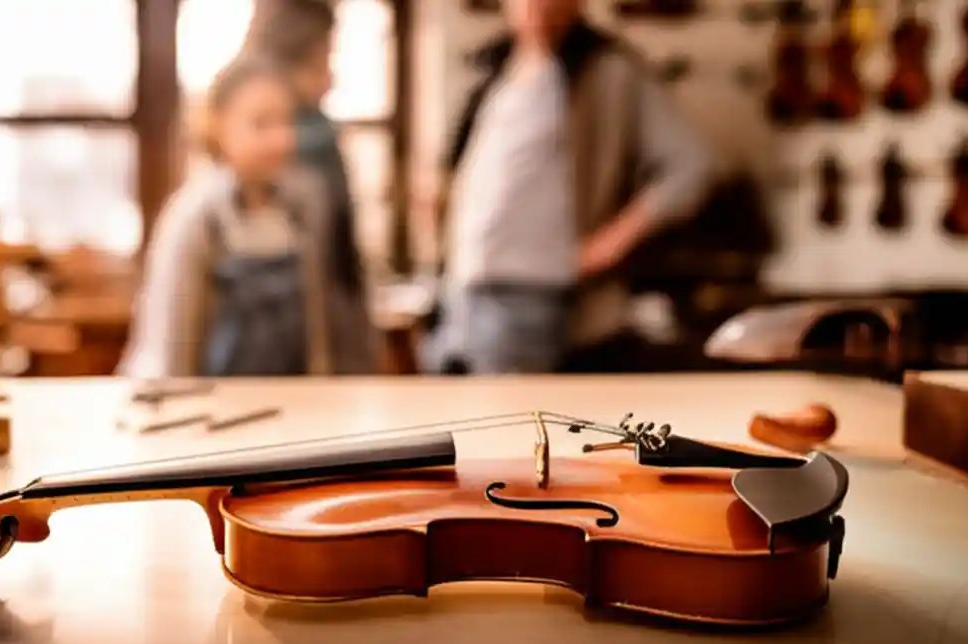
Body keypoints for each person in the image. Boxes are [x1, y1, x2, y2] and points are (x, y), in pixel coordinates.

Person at [424, 0, 714, 374]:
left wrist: (611, 242)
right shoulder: (493, 67)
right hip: (463, 291)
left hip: (534, 295)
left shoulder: (610, 70)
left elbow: (692, 165)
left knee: (502, 423)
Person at [119, 56, 373, 377]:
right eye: (261, 123)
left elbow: (321, 325)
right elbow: (170, 345)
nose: (280, 138)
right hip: (213, 409)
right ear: (217, 125)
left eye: (286, 121)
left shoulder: (305, 207)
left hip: (296, 406)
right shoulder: (197, 217)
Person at [242, 0, 373, 359]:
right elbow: (335, 271)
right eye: (327, 55)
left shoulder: (240, 151)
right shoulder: (312, 140)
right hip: (317, 345)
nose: (332, 77)